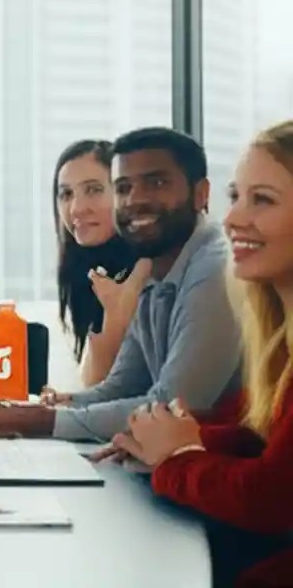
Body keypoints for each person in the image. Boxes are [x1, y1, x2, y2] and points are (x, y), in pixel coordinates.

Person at [0, 127, 242, 441]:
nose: (135, 200)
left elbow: (173, 407)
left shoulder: (215, 269)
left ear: (201, 194)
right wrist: (53, 407)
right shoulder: (158, 266)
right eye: (123, 187)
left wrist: (42, 421)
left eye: (157, 183)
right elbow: (122, 386)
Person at [108, 121, 293, 587]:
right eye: (238, 196)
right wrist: (174, 436)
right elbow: (259, 434)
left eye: (263, 200)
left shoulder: (206, 274)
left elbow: (270, 498)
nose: (232, 220)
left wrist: (174, 458)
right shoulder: (278, 336)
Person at [51, 139, 149, 387]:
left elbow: (97, 385)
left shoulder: (146, 270)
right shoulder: (94, 270)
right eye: (66, 194)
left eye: (93, 190)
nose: (76, 208)